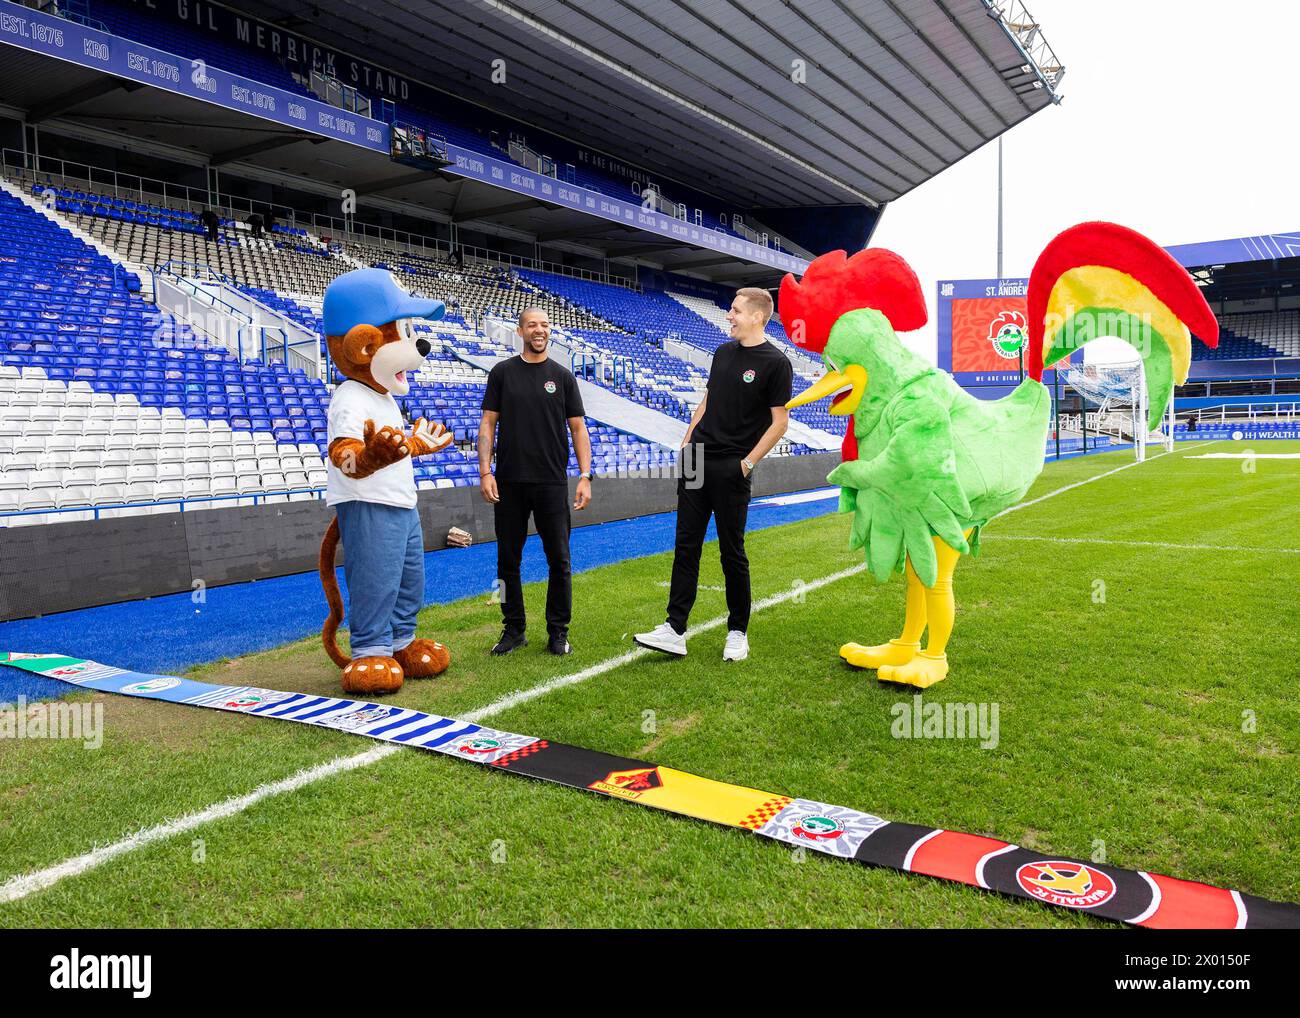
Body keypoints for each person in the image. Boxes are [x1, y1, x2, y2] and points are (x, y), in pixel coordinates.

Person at [634, 287, 791, 662]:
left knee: (731, 552)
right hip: (697, 459)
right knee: (685, 546)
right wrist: (687, 444)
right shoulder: (722, 353)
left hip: (732, 465)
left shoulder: (775, 362)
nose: (729, 316)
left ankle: (737, 631)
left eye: (735, 311)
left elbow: (779, 423)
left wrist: (748, 463)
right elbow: (707, 401)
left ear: (756, 316)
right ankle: (674, 629)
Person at [479, 307, 593, 656]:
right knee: (505, 561)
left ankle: (558, 632)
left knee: (559, 560)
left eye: (544, 325)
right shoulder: (502, 373)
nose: (539, 330)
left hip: (551, 483)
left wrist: (585, 475)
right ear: (520, 331)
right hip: (509, 482)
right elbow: (487, 424)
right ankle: (513, 629)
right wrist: (485, 471)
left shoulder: (562, 376)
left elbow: (578, 429)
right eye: (532, 325)